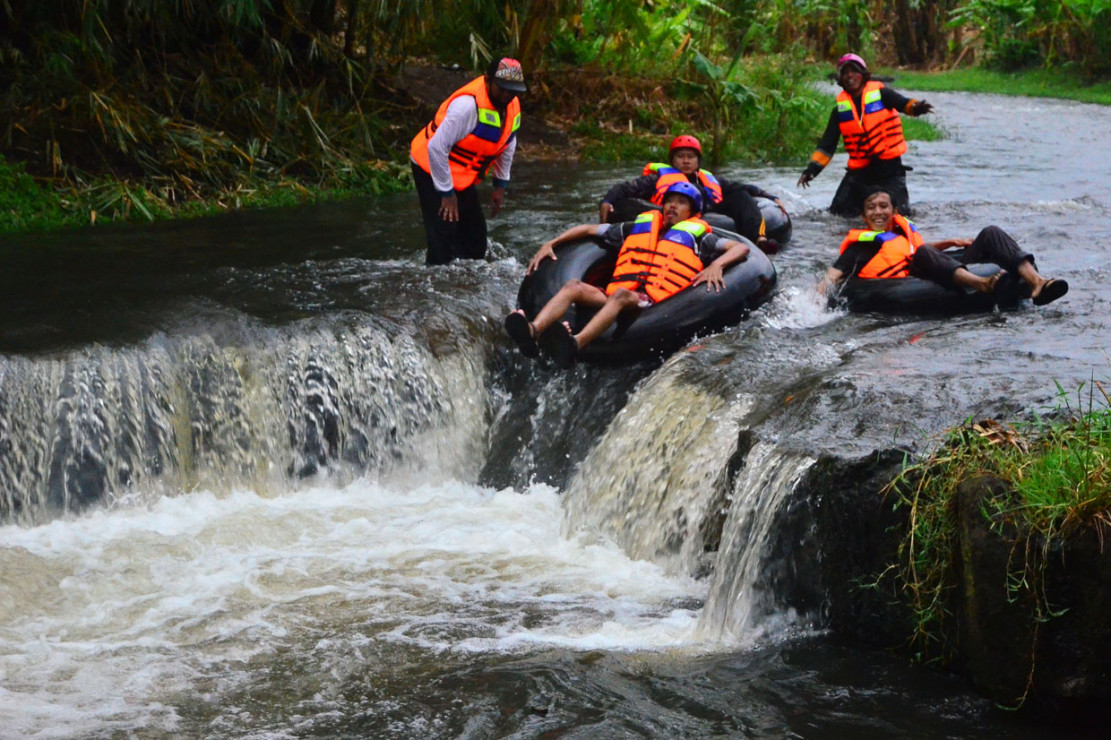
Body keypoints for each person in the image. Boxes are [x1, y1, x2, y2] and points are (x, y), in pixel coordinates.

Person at [505, 181, 752, 368]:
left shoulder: (700, 238)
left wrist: (716, 265)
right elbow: (590, 229)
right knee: (573, 286)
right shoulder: (635, 228)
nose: (672, 206)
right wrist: (552, 242)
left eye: (681, 202)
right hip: (619, 293)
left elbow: (741, 248)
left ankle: (575, 344)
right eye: (669, 201)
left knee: (621, 295)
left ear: (692, 212)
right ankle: (533, 330)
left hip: (653, 302)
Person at [818, 189, 1069, 307]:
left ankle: (1037, 283)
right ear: (864, 217)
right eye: (871, 208)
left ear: (895, 212)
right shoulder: (863, 247)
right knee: (925, 253)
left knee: (991, 232)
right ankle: (982, 284)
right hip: (905, 285)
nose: (878, 212)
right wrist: (813, 302)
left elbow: (911, 249)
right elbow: (834, 274)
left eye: (884, 206)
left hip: (932, 267)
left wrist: (951, 242)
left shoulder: (898, 233)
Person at [410, 57, 525, 265]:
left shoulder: (512, 105)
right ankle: (435, 281)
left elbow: (509, 142)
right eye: (502, 88)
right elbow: (436, 148)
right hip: (430, 166)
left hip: (462, 174)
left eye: (513, 90)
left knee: (476, 239)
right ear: (487, 80)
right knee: (443, 233)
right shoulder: (466, 107)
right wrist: (446, 193)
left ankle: (466, 282)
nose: (508, 94)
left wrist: (500, 185)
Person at [797, 53, 934, 217]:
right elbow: (827, 145)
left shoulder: (883, 95)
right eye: (845, 73)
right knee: (836, 216)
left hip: (890, 172)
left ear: (863, 75)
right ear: (840, 79)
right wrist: (811, 171)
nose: (850, 76)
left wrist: (917, 107)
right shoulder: (839, 112)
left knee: (900, 217)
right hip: (859, 175)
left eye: (854, 71)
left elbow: (904, 104)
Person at [599, 134, 785, 250]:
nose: (686, 161)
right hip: (677, 220)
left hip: (711, 214)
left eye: (691, 157)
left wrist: (770, 197)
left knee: (741, 196)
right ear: (673, 161)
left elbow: (741, 187)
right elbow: (625, 188)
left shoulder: (709, 179)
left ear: (697, 161)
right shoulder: (657, 179)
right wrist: (608, 201)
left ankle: (759, 240)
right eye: (681, 157)